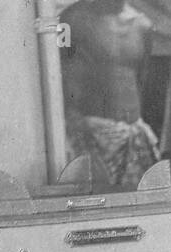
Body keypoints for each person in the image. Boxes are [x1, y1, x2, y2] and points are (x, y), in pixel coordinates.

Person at [60, 0, 160, 189]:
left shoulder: (142, 24)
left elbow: (141, 80)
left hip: (135, 134)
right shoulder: (75, 19)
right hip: (90, 136)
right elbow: (63, 76)